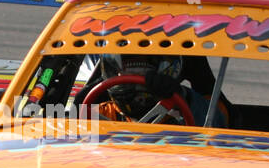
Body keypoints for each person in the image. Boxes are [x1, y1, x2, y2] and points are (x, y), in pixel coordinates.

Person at [88, 54, 230, 126]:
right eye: (128, 69)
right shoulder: (102, 114)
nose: (135, 77)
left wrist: (182, 98)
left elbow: (220, 125)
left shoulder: (204, 109)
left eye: (143, 70)